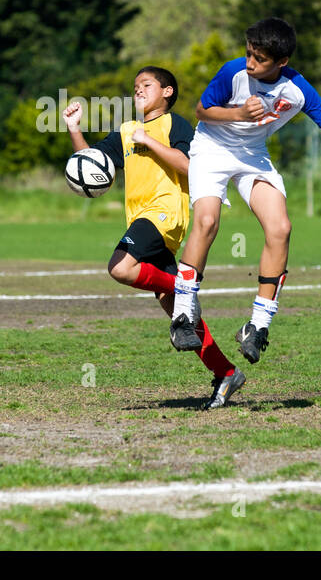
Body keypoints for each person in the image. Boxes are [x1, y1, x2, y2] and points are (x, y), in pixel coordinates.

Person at [169, 17, 321, 366]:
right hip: (211, 149)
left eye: (260, 59)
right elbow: (201, 111)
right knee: (207, 221)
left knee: (280, 228)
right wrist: (238, 113)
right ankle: (182, 317)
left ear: (281, 62)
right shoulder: (233, 72)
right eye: (249, 53)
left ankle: (257, 326)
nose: (251, 63)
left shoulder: (298, 89)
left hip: (252, 156)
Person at [63, 66, 245, 409]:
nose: (138, 91)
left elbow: (192, 167)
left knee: (120, 267)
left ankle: (182, 286)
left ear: (168, 92)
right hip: (142, 219)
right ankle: (225, 372)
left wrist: (149, 142)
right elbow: (93, 164)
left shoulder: (173, 125)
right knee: (176, 310)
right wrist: (75, 131)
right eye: (135, 87)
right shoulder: (127, 130)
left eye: (146, 85)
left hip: (164, 214)